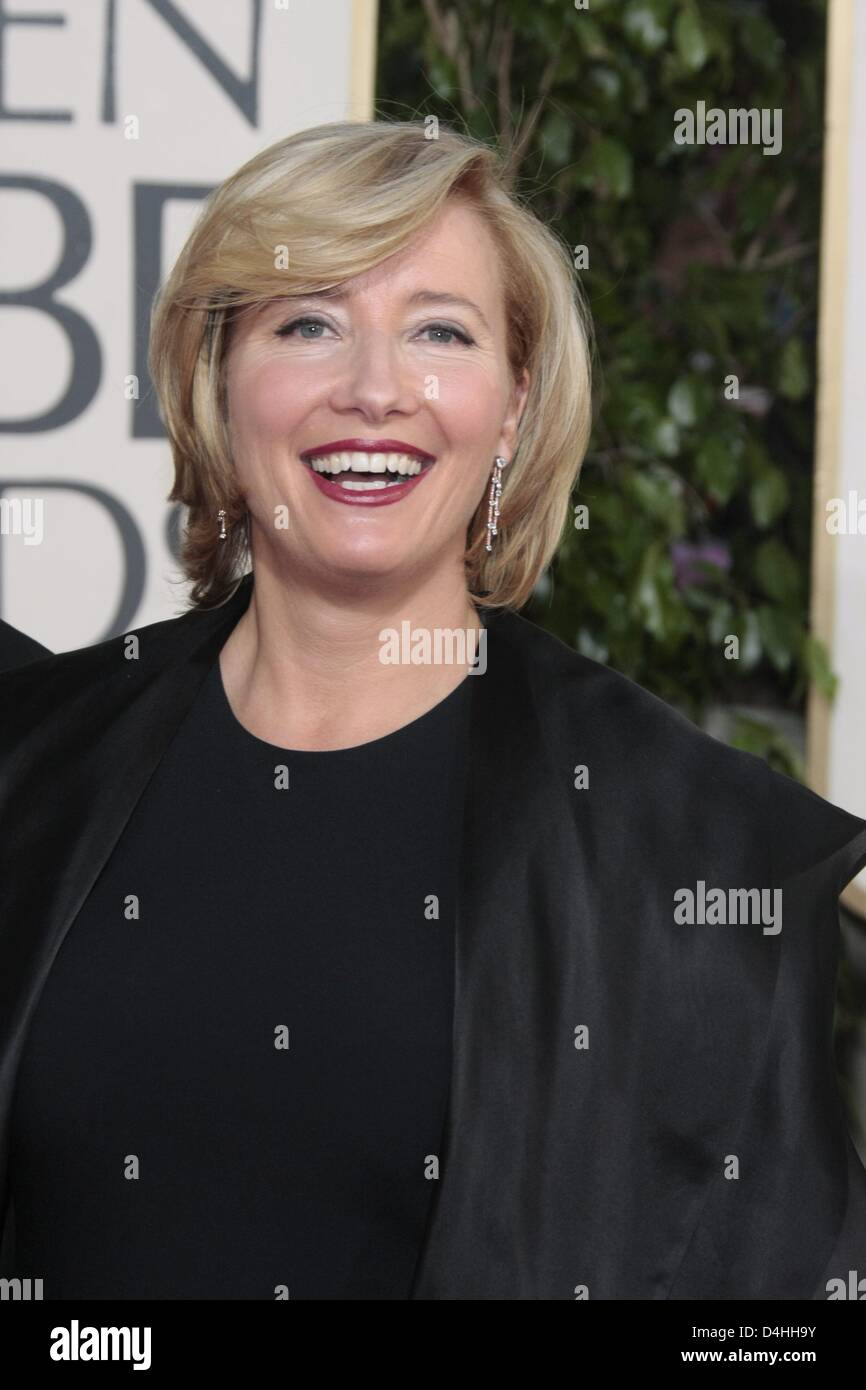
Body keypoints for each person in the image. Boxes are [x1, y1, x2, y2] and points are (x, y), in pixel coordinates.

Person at [0, 120, 864, 1301]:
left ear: (510, 410)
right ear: (215, 381)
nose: (371, 389)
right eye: (306, 324)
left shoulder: (690, 848)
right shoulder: (35, 755)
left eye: (438, 333)